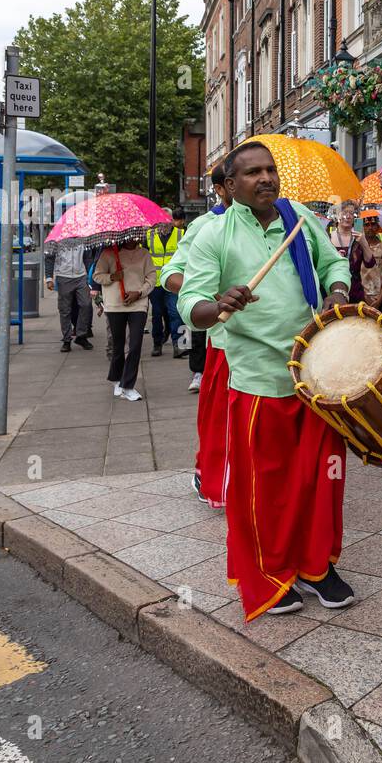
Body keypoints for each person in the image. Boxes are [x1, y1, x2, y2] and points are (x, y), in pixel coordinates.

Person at [178, 140, 357, 620]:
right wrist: (217, 305)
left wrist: (336, 291)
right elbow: (189, 301)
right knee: (265, 487)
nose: (265, 179)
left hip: (317, 374)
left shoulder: (298, 218)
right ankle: (269, 571)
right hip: (259, 381)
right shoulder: (214, 234)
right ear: (231, 185)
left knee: (321, 480)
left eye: (270, 170)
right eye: (253, 173)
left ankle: (316, 566)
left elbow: (333, 264)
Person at [161, 163, 231, 503]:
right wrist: (208, 295)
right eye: (237, 180)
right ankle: (212, 476)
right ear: (221, 188)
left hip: (277, 346)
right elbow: (171, 274)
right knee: (221, 418)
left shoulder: (282, 221)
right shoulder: (205, 226)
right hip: (224, 340)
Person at [94, 237, 156, 401]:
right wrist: (113, 277)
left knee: (135, 344)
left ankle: (128, 385)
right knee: (118, 344)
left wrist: (139, 293)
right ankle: (115, 379)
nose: (133, 239)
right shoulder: (109, 253)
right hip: (115, 304)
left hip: (138, 304)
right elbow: (97, 276)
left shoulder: (144, 254)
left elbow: (152, 278)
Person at [147, 215, 187, 358]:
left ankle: (181, 346)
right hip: (156, 282)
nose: (164, 224)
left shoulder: (180, 233)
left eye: (166, 221)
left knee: (177, 312)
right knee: (156, 315)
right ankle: (157, 344)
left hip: (174, 281)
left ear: (171, 221)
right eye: (160, 222)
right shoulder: (149, 236)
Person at [44, 239, 94, 352]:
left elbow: (88, 258)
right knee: (65, 310)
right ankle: (67, 340)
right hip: (63, 276)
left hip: (81, 276)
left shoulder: (83, 238)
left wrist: (90, 277)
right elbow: (49, 258)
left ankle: (81, 335)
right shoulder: (56, 239)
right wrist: (49, 278)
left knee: (86, 304)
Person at [328, 199, 377, 304]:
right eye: (344, 212)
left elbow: (370, 263)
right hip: (333, 291)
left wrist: (363, 241)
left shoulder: (358, 237)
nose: (348, 216)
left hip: (355, 292)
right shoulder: (327, 238)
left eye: (351, 213)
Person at [358, 215, 382, 311]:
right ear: (362, 227)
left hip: (380, 298)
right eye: (366, 225)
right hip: (360, 297)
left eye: (373, 224)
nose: (370, 227)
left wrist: (380, 298)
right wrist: (364, 296)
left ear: (378, 227)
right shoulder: (357, 247)